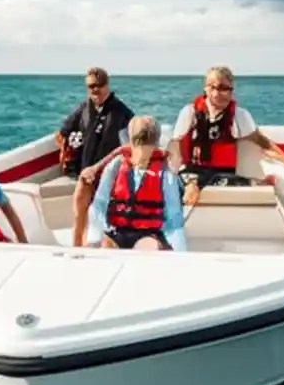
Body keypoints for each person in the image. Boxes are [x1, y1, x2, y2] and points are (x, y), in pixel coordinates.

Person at [168, 65, 284, 205]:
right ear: (205, 88)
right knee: (185, 188)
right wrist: (183, 180)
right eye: (212, 87)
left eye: (223, 88)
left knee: (235, 182)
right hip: (192, 171)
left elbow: (261, 142)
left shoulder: (240, 116)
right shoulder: (190, 113)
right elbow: (175, 149)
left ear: (231, 90)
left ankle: (258, 183)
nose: (216, 94)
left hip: (223, 173)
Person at [52, 67, 134, 247]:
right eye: (91, 86)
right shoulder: (83, 109)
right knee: (79, 204)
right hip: (87, 170)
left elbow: (129, 145)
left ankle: (107, 245)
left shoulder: (121, 112)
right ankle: (76, 246)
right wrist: (65, 151)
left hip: (111, 172)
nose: (95, 90)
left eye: (99, 85)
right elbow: (61, 133)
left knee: (106, 218)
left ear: (107, 85)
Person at [85, 116, 187, 251]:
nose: (142, 149)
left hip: (149, 233)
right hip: (118, 231)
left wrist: (181, 252)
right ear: (130, 141)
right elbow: (99, 205)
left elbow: (174, 218)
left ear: (155, 144)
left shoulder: (165, 173)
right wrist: (94, 239)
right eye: (138, 141)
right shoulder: (115, 166)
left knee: (148, 248)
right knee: (104, 246)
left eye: (148, 142)